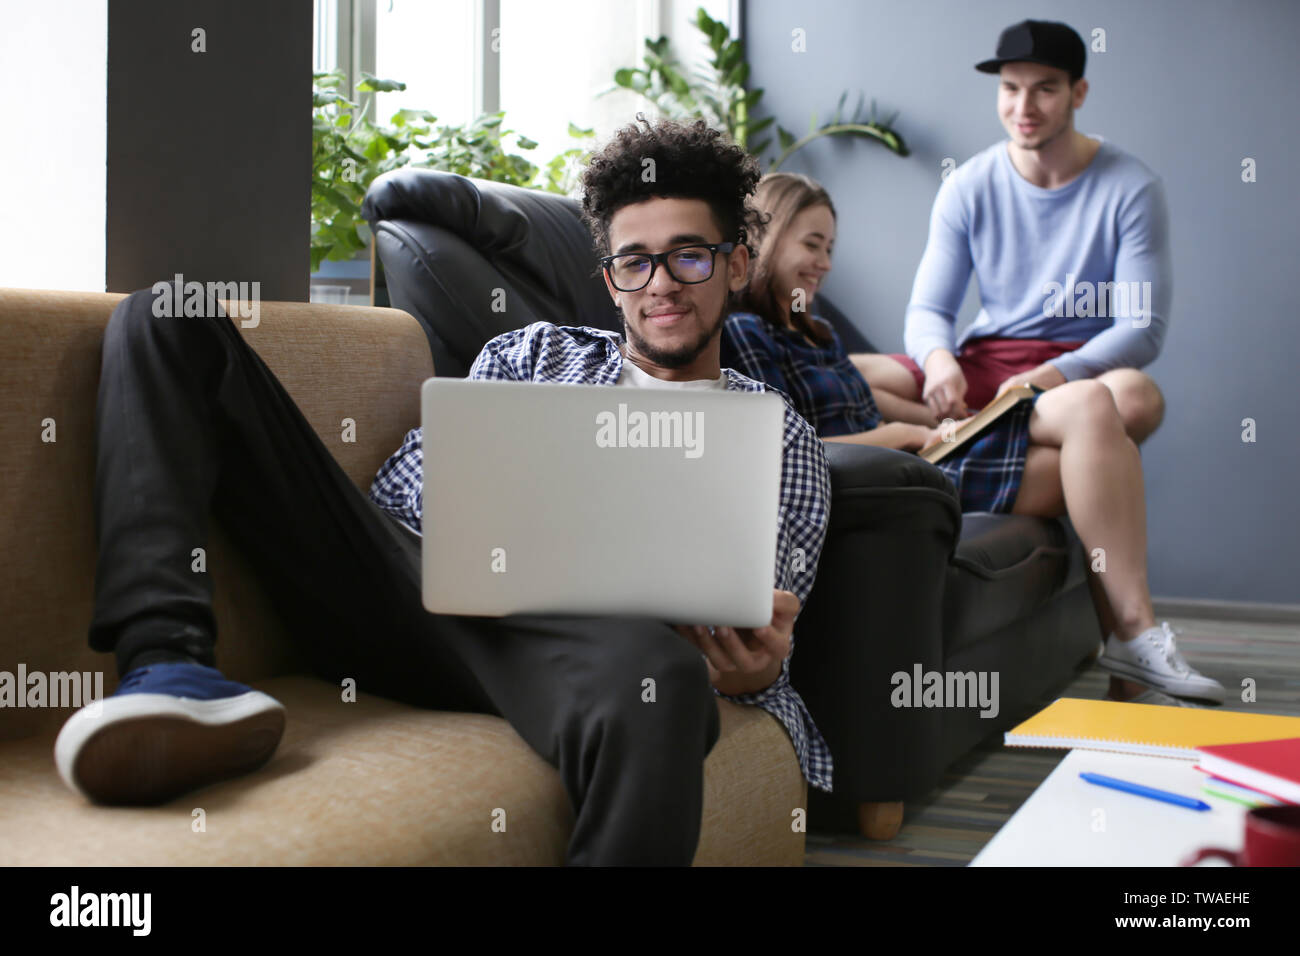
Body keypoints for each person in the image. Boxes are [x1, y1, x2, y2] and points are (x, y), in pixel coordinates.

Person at [54, 116, 832, 866]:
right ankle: (168, 667)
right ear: (610, 280)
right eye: (635, 261)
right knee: (166, 313)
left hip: (571, 659)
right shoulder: (534, 355)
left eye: (689, 256)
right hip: (400, 596)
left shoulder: (779, 436)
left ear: (735, 264)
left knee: (663, 681)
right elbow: (401, 498)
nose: (660, 285)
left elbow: (765, 609)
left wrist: (755, 668)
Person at [721, 171, 1224, 708]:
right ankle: (1134, 643)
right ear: (767, 242)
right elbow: (788, 446)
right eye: (811, 245)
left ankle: (1131, 651)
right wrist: (904, 433)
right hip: (887, 476)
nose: (823, 262)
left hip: (925, 452)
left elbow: (868, 401)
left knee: (1106, 442)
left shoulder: (814, 330)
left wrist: (944, 423)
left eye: (830, 248)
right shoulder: (745, 332)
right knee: (1091, 406)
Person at [851, 19, 1171, 446]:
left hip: (1076, 374)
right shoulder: (966, 186)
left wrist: (1049, 376)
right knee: (846, 373)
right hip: (988, 363)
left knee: (1135, 397)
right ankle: (980, 430)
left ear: (1079, 92)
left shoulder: (1132, 188)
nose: (1024, 108)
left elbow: (1141, 326)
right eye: (1010, 88)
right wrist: (940, 361)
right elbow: (929, 310)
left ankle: (975, 433)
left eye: (1045, 89)